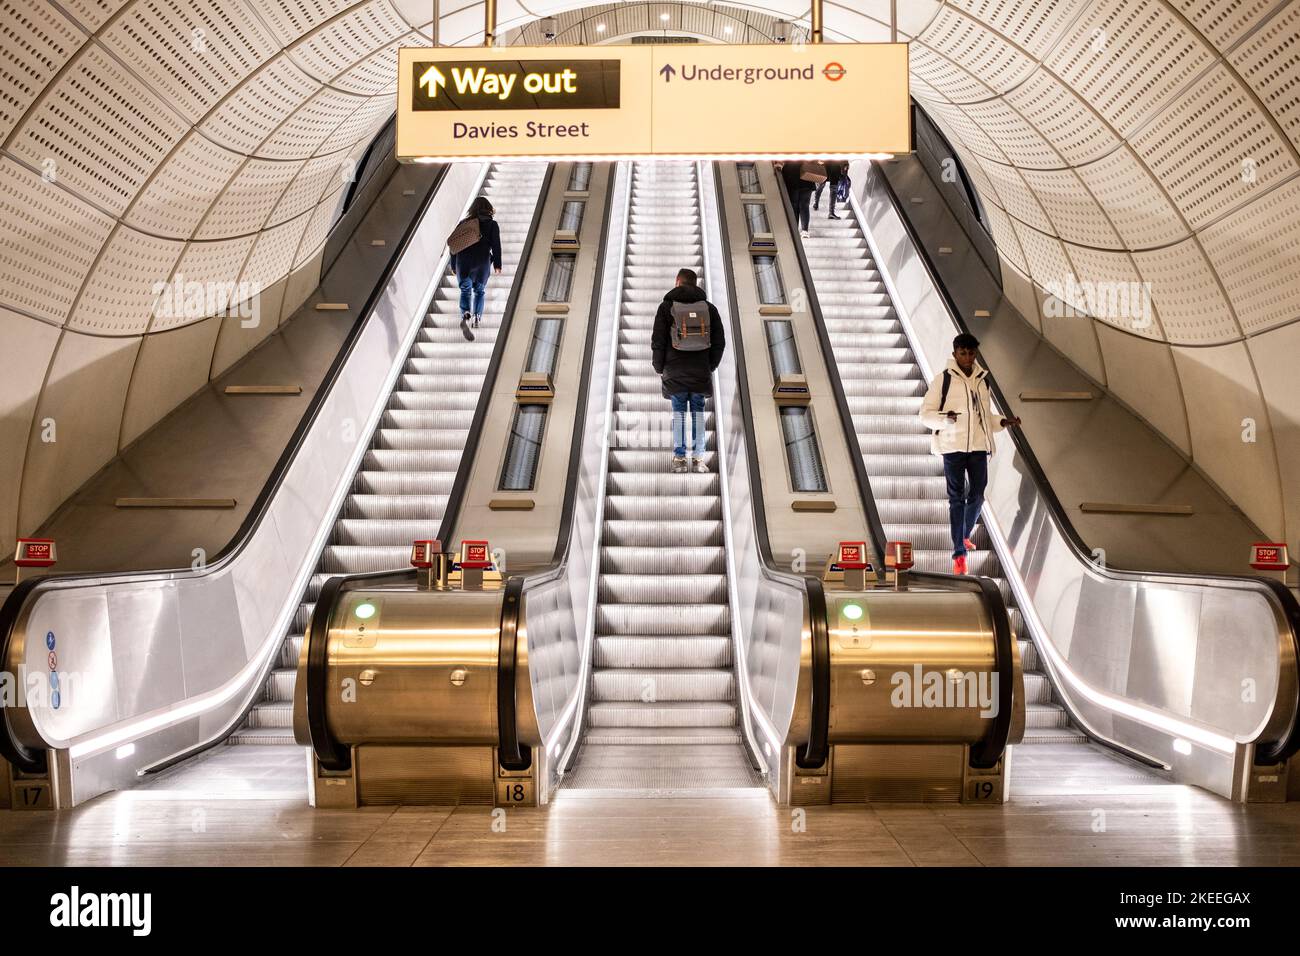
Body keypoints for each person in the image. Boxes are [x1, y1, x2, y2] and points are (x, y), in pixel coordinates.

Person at [919, 333, 1022, 575]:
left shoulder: (982, 381)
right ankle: (959, 554)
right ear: (955, 353)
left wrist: (1002, 422)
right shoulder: (942, 380)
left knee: (977, 495)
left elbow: (983, 417)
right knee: (956, 498)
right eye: (963, 353)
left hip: (977, 447)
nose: (967, 358)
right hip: (952, 447)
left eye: (971, 353)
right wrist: (946, 419)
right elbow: (925, 415)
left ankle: (964, 535)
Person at [651, 268, 726, 474]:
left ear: (678, 282)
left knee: (679, 413)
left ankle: (679, 458)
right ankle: (699, 458)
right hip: (700, 370)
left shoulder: (666, 307)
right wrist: (710, 365)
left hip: (674, 371)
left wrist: (659, 366)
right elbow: (719, 342)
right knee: (698, 413)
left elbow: (658, 341)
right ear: (695, 283)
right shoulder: (709, 308)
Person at [451, 196, 501, 338]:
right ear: (488, 208)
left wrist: (453, 264)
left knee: (465, 289)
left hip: (463, 260)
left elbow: (454, 244)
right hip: (482, 260)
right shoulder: (492, 225)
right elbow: (496, 245)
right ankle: (477, 317)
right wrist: (497, 264)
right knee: (479, 290)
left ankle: (465, 314)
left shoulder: (464, 223)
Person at [777, 161, 815, 239]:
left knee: (796, 206)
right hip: (804, 176)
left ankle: (797, 231)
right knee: (802, 205)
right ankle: (803, 230)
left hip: (795, 175)